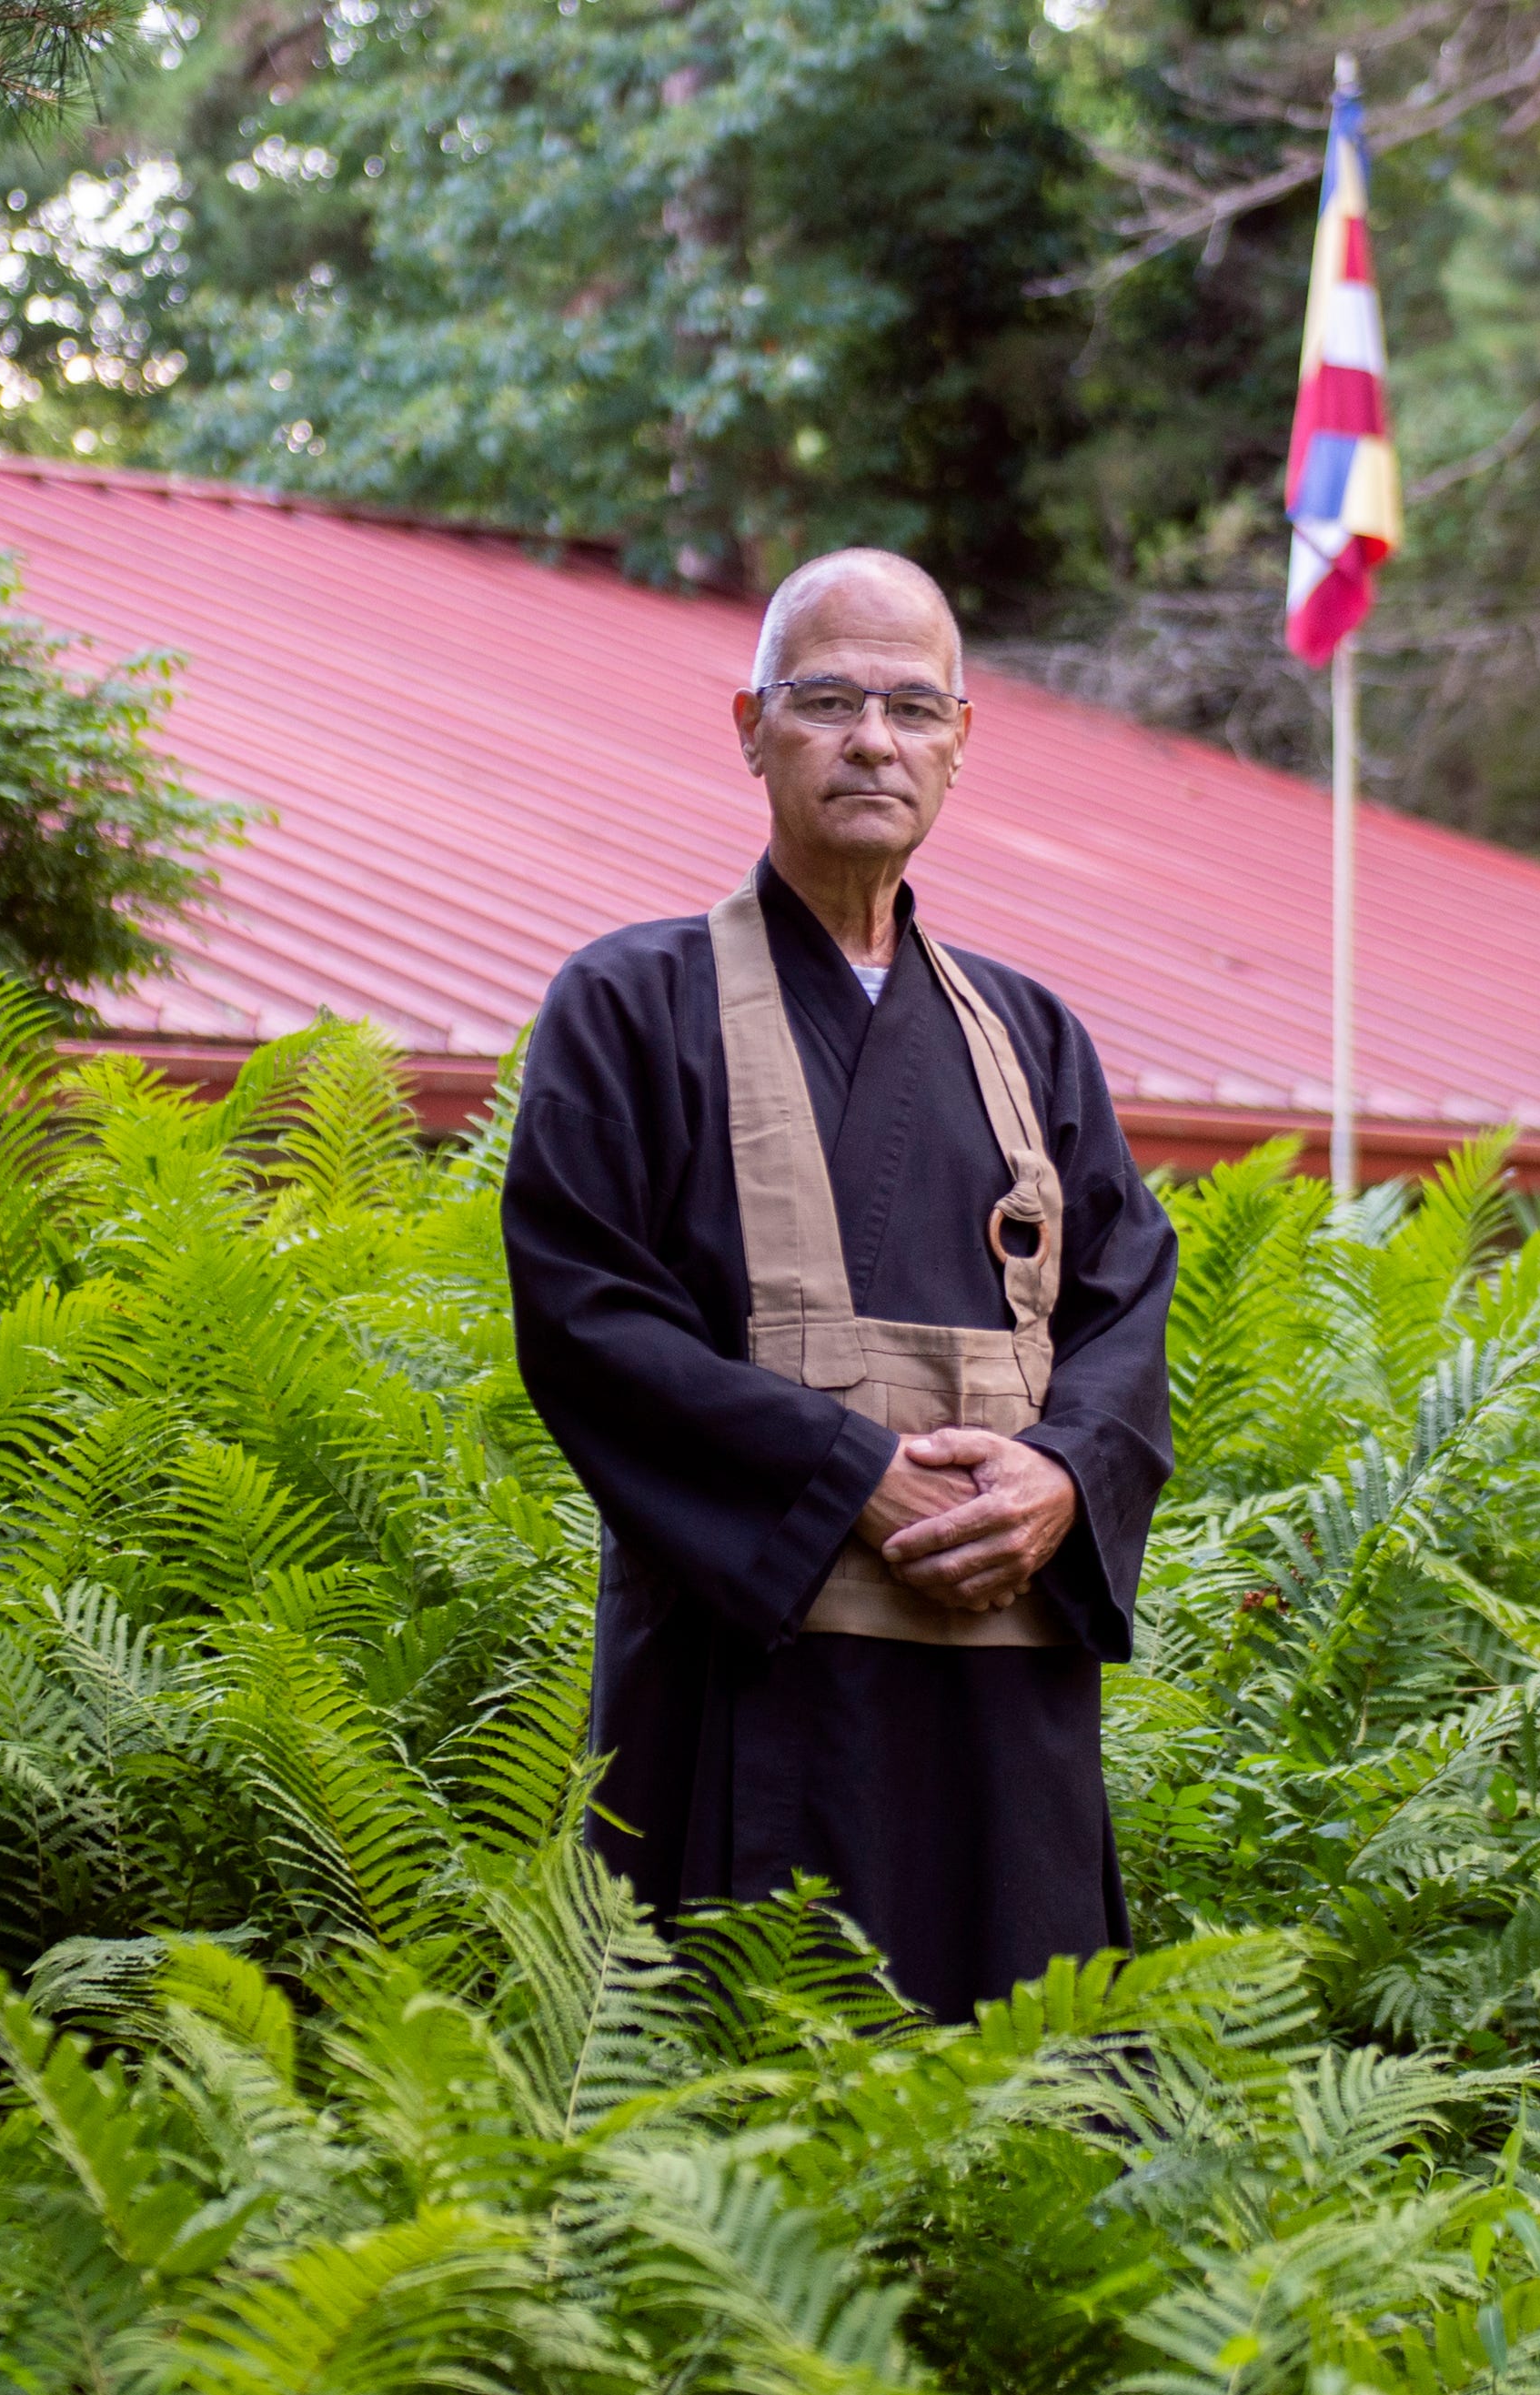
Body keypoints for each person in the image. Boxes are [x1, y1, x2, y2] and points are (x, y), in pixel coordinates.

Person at [501, 548, 1178, 2021]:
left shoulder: (1033, 1035)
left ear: (958, 742)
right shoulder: (628, 1008)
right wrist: (854, 1478)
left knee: (1022, 2122)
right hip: (750, 1690)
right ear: (748, 725)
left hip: (1008, 1708)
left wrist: (1061, 1482)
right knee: (747, 2131)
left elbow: (1125, 1304)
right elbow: (587, 1316)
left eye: (913, 707)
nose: (874, 739)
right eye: (828, 700)